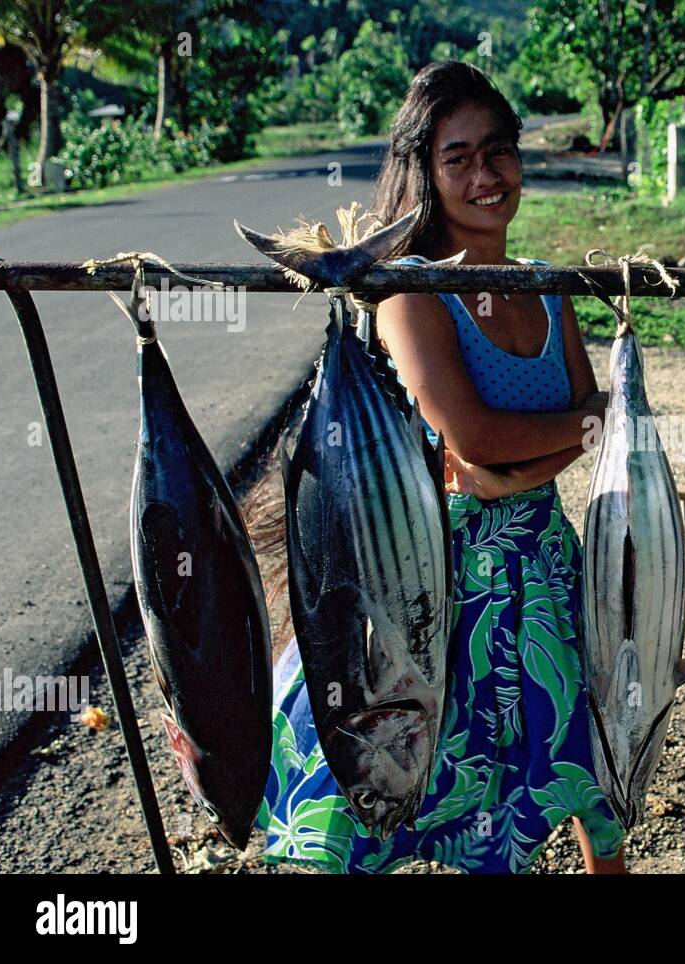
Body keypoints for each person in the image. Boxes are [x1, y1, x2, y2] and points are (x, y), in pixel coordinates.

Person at [255, 61, 626, 874]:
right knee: (381, 783)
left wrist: (519, 460)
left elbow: (574, 427)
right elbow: (474, 434)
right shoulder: (411, 293)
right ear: (423, 172)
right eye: (458, 157)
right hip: (429, 579)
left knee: (576, 775)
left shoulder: (547, 287)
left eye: (499, 151)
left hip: (542, 571)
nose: (486, 175)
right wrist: (548, 440)